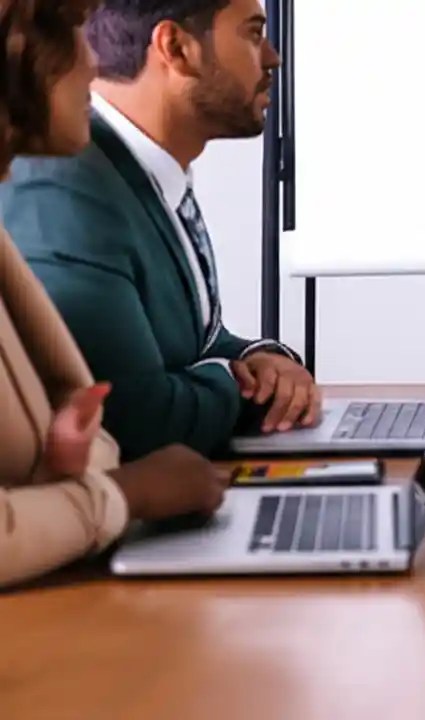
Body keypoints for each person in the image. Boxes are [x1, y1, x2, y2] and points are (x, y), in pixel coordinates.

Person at [0, 0, 318, 462]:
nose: (273, 56)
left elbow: (192, 346)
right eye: (253, 33)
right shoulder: (64, 184)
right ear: (176, 48)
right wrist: (238, 382)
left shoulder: (144, 172)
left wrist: (267, 361)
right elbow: (137, 416)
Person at [0, 0, 230, 588]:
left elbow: (85, 422)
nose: (93, 62)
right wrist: (122, 494)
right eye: (73, 33)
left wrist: (59, 466)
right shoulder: (57, 192)